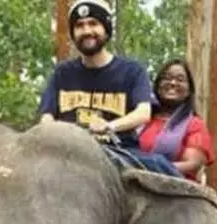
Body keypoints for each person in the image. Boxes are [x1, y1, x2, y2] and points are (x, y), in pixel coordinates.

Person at [37, 0, 152, 146]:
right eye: (79, 26)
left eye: (93, 23)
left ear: (106, 28)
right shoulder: (62, 73)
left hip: (119, 152)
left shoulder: (132, 71)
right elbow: (46, 117)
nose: (87, 31)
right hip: (68, 153)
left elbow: (143, 113)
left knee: (160, 165)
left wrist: (110, 126)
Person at [134, 58, 215, 182]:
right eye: (166, 78)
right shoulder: (140, 119)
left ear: (189, 90)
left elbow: (191, 164)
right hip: (133, 183)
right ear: (157, 85)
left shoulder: (194, 124)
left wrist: (150, 168)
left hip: (175, 191)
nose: (172, 83)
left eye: (180, 80)